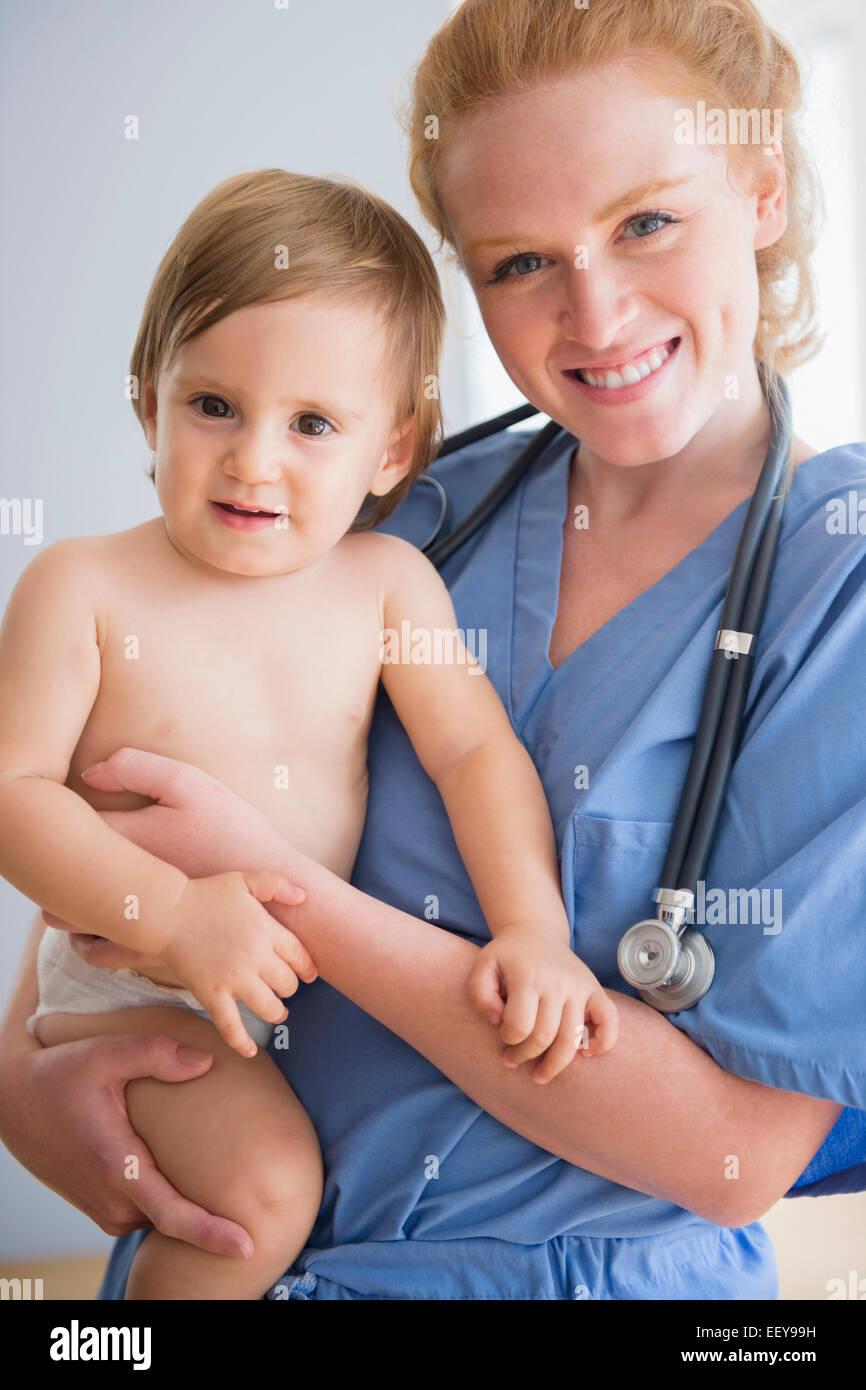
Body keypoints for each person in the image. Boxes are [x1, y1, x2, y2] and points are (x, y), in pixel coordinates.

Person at [1, 0, 864, 1301]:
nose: (593, 309)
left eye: (644, 221)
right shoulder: (406, 508)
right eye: (518, 261)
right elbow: (121, 790)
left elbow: (733, 1153)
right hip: (228, 1241)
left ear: (757, 191)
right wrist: (28, 1074)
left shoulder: (834, 583)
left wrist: (272, 886)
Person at [0, 167, 619, 1300]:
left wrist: (532, 931)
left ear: (392, 451)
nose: (253, 459)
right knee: (267, 1193)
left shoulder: (386, 587)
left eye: (313, 424)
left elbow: (474, 753)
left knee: (294, 1176)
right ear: (150, 399)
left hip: (290, 995)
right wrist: (175, 913)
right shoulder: (80, 584)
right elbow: (14, 794)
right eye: (213, 406)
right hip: (132, 976)